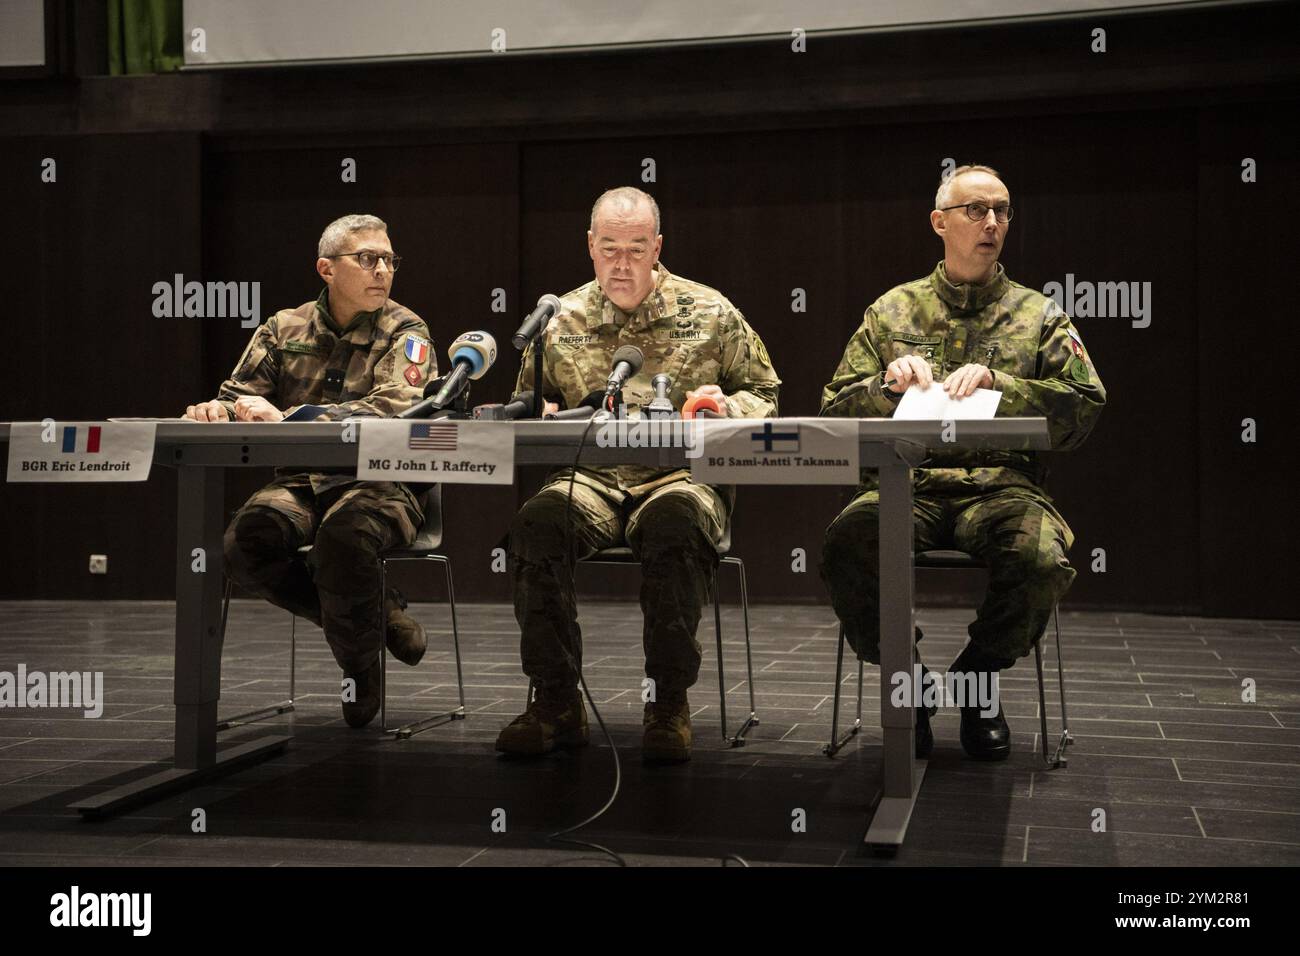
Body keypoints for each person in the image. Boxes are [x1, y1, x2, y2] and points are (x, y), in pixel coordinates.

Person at [818, 165, 1106, 760]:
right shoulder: (891, 312)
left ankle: (978, 681)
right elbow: (834, 411)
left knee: (1037, 556)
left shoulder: (1039, 316)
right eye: (976, 210)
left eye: (1002, 211)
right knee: (848, 543)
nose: (993, 223)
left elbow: (1084, 407)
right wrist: (887, 385)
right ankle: (914, 684)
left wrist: (1004, 385)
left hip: (1000, 489)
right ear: (939, 222)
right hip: (907, 484)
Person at [497, 186, 781, 762]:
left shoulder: (709, 312)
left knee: (675, 527)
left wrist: (729, 407)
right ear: (589, 247)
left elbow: (765, 392)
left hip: (678, 478)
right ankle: (555, 703)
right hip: (591, 481)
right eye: (609, 249)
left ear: (657, 247)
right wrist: (539, 413)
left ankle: (667, 703)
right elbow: (526, 405)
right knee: (537, 527)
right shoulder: (559, 318)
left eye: (635, 248)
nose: (621, 263)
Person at [184, 213, 437, 728]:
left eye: (389, 260)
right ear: (327, 268)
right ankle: (377, 618)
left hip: (381, 480)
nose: (382, 270)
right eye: (368, 258)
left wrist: (297, 417)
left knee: (344, 540)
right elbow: (240, 395)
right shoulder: (283, 327)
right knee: (243, 545)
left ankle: (359, 666)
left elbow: (399, 405)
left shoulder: (406, 328)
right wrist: (219, 409)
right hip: (301, 482)